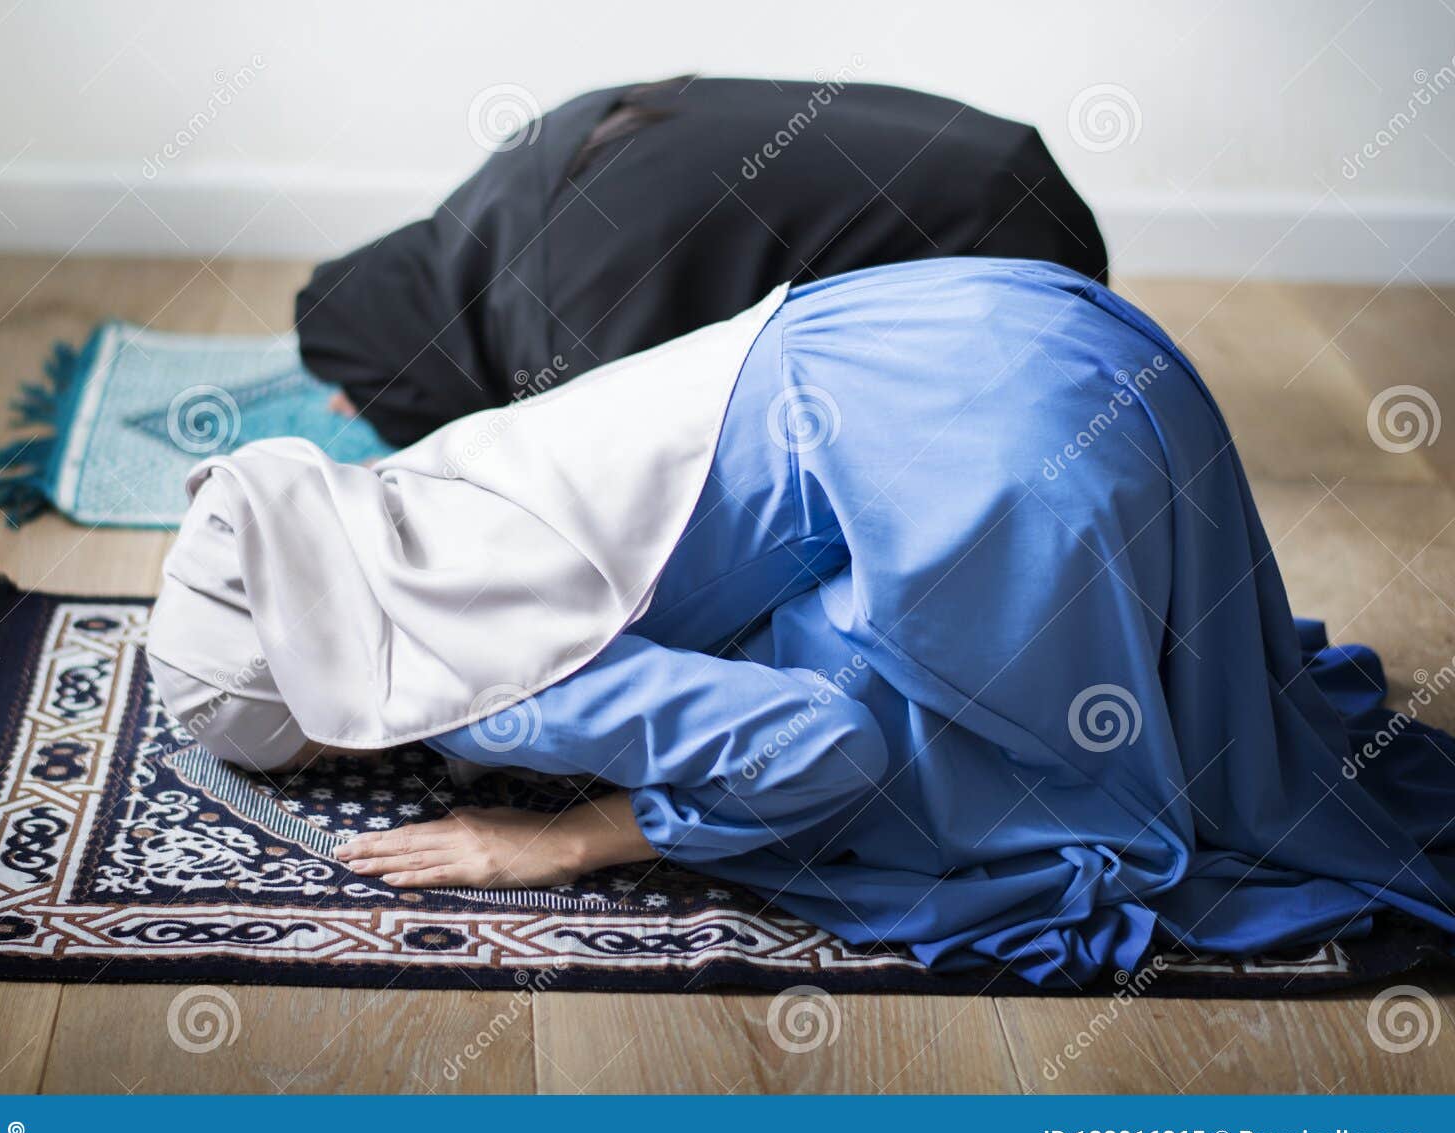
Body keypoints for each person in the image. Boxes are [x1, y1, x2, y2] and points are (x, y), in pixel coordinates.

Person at [150, 257, 1455, 987]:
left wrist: (574, 840)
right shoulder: (405, 490)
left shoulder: (490, 679)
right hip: (976, 318)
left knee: (942, 786)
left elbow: (823, 744)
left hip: (1003, 450)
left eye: (328, 754)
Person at [295, 76, 1107, 445]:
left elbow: (639, 510)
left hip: (1009, 258)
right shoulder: (522, 170)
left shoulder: (557, 323)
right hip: (1002, 161)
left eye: (364, 394)